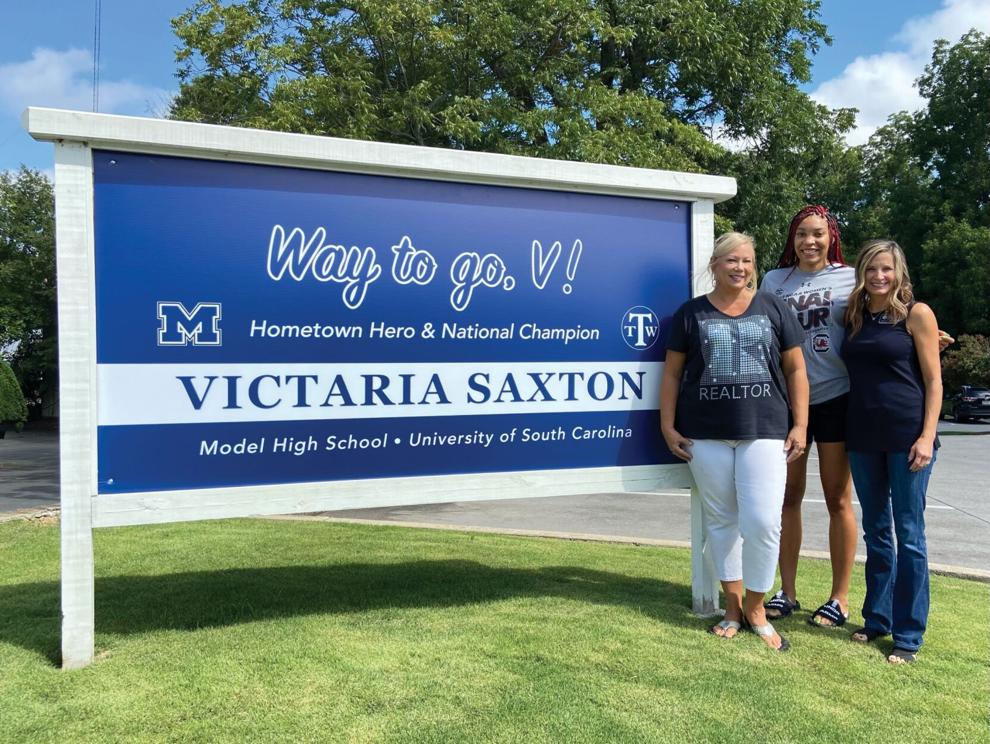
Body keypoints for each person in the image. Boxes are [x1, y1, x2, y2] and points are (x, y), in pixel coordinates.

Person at [661, 231, 809, 651]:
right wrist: (667, 426)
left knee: (763, 522)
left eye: (746, 261)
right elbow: (671, 374)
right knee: (721, 523)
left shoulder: (774, 307)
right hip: (704, 434)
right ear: (715, 265)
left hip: (764, 430)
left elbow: (797, 372)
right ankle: (731, 607)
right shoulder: (690, 314)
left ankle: (757, 608)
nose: (739, 268)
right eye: (731, 261)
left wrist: (800, 425)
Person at [841, 240, 941, 664]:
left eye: (886, 270)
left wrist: (925, 436)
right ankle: (877, 618)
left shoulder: (916, 314)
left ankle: (908, 634)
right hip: (862, 437)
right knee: (877, 532)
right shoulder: (855, 315)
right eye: (871, 270)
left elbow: (934, 382)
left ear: (898, 272)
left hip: (907, 438)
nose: (878, 277)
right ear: (861, 273)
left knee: (910, 534)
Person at [760, 206, 857, 628]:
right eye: (801, 234)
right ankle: (788, 591)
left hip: (837, 397)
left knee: (837, 498)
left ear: (830, 235)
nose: (809, 242)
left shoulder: (851, 277)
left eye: (817, 233)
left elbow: (889, 312)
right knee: (787, 498)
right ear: (792, 238)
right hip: (786, 404)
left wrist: (925, 334)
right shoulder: (772, 281)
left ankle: (840, 597)